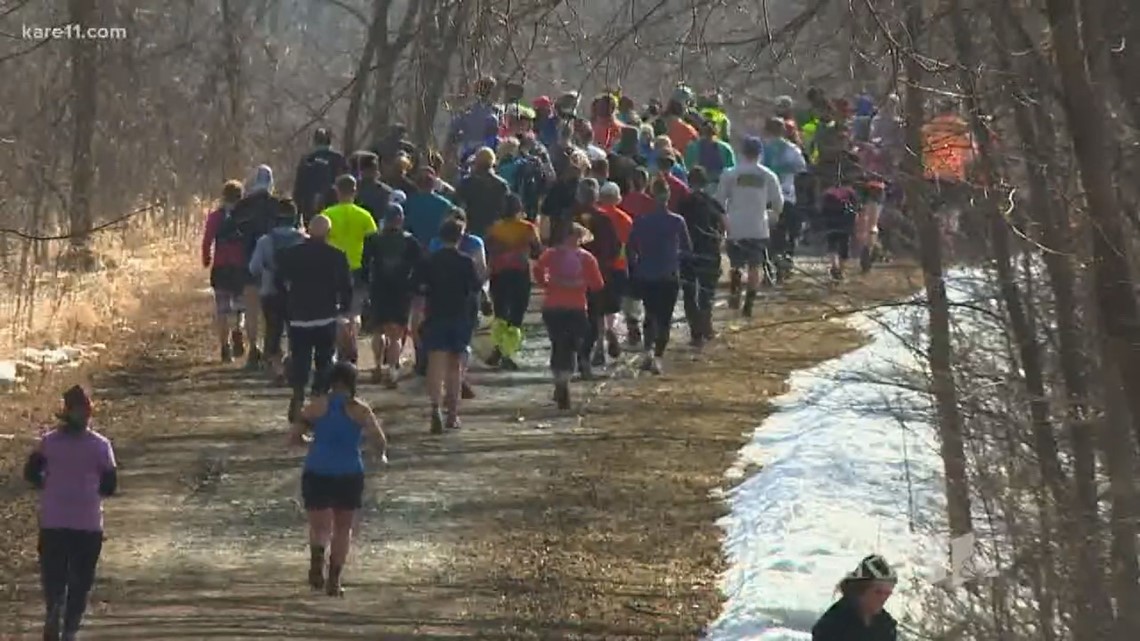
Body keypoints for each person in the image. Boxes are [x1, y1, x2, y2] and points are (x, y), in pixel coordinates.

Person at [23, 385, 117, 641]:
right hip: (87, 523)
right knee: (81, 581)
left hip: (54, 520)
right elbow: (110, 486)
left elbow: (30, 473)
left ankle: (54, 606)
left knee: (54, 576)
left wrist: (47, 484)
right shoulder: (101, 446)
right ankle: (70, 630)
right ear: (89, 414)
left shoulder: (49, 443)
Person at [289, 361, 387, 597]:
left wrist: (311, 443)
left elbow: (293, 437)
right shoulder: (360, 410)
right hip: (349, 472)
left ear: (330, 381)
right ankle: (334, 580)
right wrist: (380, 454)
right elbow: (379, 439)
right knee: (343, 528)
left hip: (317, 470)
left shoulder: (316, 407)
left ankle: (317, 562)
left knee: (319, 526)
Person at [277, 214, 354, 422]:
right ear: (329, 233)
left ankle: (298, 392)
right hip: (325, 316)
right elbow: (346, 287)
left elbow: (279, 281)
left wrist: (287, 305)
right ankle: (318, 398)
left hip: (298, 316)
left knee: (299, 357)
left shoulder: (290, 254)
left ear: (308, 231)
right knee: (324, 361)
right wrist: (344, 309)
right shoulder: (337, 256)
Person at [416, 217, 483, 432]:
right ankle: (452, 414)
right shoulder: (466, 262)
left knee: (435, 364)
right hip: (459, 317)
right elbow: (475, 288)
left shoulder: (429, 261)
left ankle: (435, 407)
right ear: (460, 237)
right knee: (456, 367)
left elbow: (419, 289)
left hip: (436, 316)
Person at [532, 222, 605, 410]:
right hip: (576, 307)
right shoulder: (587, 258)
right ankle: (565, 380)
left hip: (553, 306)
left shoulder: (550, 254)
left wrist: (547, 284)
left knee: (557, 344)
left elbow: (537, 270)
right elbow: (598, 284)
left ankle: (559, 380)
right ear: (580, 238)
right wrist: (581, 285)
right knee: (572, 346)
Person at [627, 177, 693, 374]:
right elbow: (687, 249)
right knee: (665, 318)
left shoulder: (641, 221)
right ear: (668, 196)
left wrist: (636, 265)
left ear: (651, 195)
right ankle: (657, 357)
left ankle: (647, 351)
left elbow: (630, 248)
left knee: (650, 314)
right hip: (669, 274)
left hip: (646, 274)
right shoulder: (677, 221)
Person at [716, 136, 784, 317]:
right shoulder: (768, 175)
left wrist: (724, 221)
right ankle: (749, 304)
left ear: (742, 152)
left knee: (736, 265)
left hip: (735, 227)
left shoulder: (730, 173)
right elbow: (778, 203)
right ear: (760, 153)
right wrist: (771, 216)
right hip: (758, 227)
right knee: (755, 266)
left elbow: (719, 202)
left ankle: (735, 292)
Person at [360, 203, 426, 388]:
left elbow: (365, 265)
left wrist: (366, 285)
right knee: (396, 334)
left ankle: (377, 366)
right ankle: (392, 370)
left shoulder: (372, 239)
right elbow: (420, 266)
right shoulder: (411, 241)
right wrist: (414, 286)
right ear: (401, 219)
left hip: (378, 288)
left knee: (378, 331)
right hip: (401, 290)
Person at [248, 197, 306, 385]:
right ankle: (294, 364)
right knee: (296, 330)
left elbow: (253, 268)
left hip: (270, 292)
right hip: (297, 293)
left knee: (273, 330)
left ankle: (278, 369)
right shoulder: (303, 239)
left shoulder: (265, 241)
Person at [227, 164, 280, 370]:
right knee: (271, 311)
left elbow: (231, 233)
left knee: (251, 309)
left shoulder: (242, 206)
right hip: (273, 264)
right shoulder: (277, 205)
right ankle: (270, 350)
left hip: (247, 262)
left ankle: (253, 349)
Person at [321, 174, 379, 363]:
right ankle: (352, 344)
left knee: (337, 311)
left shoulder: (328, 214)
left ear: (337, 191)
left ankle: (341, 349)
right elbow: (373, 242)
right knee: (354, 312)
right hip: (358, 267)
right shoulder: (365, 215)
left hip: (332, 268)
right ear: (355, 191)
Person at [569, 178, 622, 375]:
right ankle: (584, 355)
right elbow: (614, 248)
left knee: (572, 317)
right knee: (593, 317)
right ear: (596, 196)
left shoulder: (569, 218)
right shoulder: (603, 219)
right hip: (595, 275)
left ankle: (573, 356)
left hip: (570, 276)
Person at [485, 194, 542, 370]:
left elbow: (488, 250)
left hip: (499, 274)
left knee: (500, 314)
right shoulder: (528, 228)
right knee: (517, 314)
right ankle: (507, 353)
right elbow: (537, 251)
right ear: (519, 208)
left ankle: (497, 348)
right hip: (519, 273)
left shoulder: (494, 229)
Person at [676, 166, 727, 347]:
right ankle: (707, 325)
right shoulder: (713, 203)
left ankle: (695, 333)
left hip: (688, 253)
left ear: (689, 182)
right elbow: (724, 224)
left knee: (689, 293)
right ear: (706, 183)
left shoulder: (683, 203)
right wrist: (720, 239)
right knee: (707, 291)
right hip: (709, 252)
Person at [201, 180, 248, 363]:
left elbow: (207, 240)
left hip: (221, 267)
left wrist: (206, 258)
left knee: (222, 308)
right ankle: (237, 331)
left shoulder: (215, 217)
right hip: (240, 267)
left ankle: (224, 347)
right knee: (239, 307)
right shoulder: (245, 216)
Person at [811, 555, 899, 641]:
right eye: (878, 592)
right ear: (860, 590)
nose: (883, 598)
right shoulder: (832, 625)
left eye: (887, 593)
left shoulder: (886, 625)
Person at [761, 116, 809, 272]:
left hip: (766, 196)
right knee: (787, 229)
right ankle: (785, 257)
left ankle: (771, 261)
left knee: (769, 231)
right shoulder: (792, 149)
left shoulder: (762, 148)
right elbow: (802, 168)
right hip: (787, 195)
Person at [596, 182, 633, 358]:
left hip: (598, 267)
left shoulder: (595, 217)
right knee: (614, 306)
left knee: (597, 307)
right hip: (619, 266)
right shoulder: (626, 219)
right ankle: (611, 329)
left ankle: (599, 340)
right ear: (618, 198)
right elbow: (630, 246)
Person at [293, 128, 348, 226]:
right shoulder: (338, 159)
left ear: (315, 141)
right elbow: (346, 183)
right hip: (334, 205)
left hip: (309, 205)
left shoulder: (307, 159)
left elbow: (299, 187)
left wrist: (298, 211)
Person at [455, 146, 510, 238]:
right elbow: (505, 209)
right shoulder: (501, 185)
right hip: (493, 230)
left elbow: (458, 206)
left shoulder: (466, 182)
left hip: (470, 229)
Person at [404, 166, 459, 247]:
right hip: (436, 249)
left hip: (413, 248)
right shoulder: (446, 205)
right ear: (434, 183)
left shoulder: (408, 203)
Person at [683, 120, 736, 188]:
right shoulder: (725, 148)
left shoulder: (692, 147)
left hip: (700, 186)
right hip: (716, 185)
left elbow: (687, 168)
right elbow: (731, 170)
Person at [354, 152, 393, 225]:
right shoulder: (353, 189)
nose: (370, 172)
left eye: (373, 169)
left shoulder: (385, 191)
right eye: (367, 169)